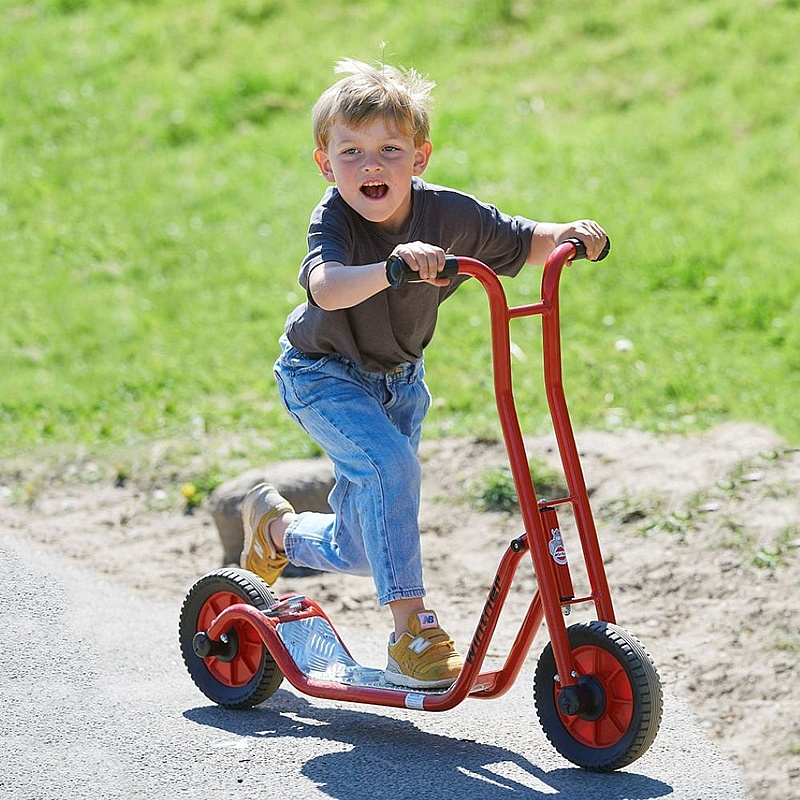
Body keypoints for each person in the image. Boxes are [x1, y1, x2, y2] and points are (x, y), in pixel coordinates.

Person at [241, 58, 608, 690]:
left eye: (390, 148)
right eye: (351, 152)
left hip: (399, 381)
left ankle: (274, 531)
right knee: (392, 469)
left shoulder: (447, 215)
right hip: (322, 373)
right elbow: (325, 288)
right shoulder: (335, 218)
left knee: (363, 545)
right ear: (326, 165)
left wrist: (571, 235)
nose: (372, 166)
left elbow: (522, 241)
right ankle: (411, 633)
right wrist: (393, 267)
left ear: (421, 156)